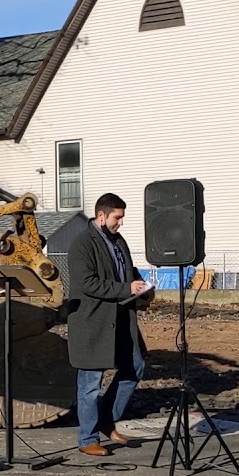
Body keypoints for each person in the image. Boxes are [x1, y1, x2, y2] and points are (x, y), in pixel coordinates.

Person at [67, 193, 153, 457]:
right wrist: (126, 288)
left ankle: (105, 419)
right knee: (90, 384)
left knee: (134, 366)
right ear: (101, 216)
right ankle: (88, 438)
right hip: (92, 322)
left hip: (120, 319)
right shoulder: (82, 244)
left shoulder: (118, 241)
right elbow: (87, 283)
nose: (121, 223)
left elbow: (128, 270)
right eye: (117, 217)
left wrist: (143, 286)